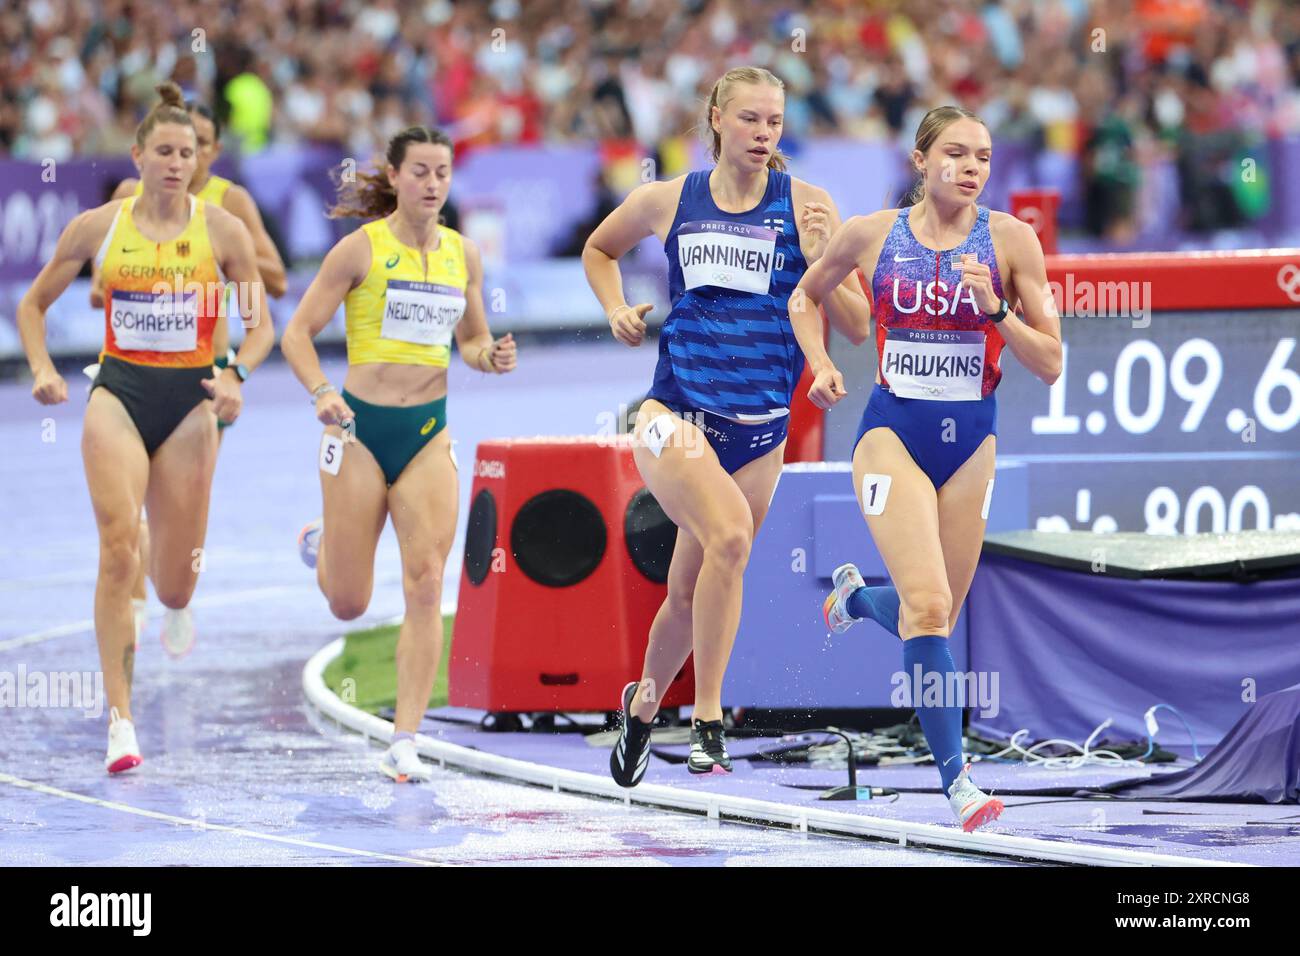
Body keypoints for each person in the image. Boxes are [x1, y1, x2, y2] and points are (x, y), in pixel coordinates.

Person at [583, 66, 871, 787]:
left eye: (774, 121)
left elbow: (860, 327)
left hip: (760, 429)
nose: (763, 133)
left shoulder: (807, 206)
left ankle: (642, 710)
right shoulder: (667, 198)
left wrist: (816, 260)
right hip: (673, 414)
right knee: (733, 538)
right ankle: (709, 719)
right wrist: (615, 307)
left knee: (689, 592)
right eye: (749, 119)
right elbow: (597, 250)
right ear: (716, 117)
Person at [791, 105, 1063, 831]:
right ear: (919, 161)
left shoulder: (1012, 241)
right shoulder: (871, 235)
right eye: (955, 153)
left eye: (982, 155)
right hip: (892, 436)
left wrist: (997, 309)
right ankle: (958, 785)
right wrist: (819, 363)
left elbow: (1052, 361)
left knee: (930, 612)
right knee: (932, 607)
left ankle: (851, 601)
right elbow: (804, 296)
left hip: (973, 441)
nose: (972, 166)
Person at [18, 82, 273, 773]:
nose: (174, 161)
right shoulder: (99, 227)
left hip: (190, 404)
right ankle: (120, 721)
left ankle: (174, 595)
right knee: (116, 549)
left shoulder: (223, 232)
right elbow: (32, 306)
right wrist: (42, 367)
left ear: (199, 160)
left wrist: (235, 377)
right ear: (137, 155)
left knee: (174, 587)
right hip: (119, 393)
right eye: (162, 150)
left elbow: (260, 328)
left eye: (185, 152)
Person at [280, 126, 516, 783]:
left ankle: (405, 739)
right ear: (395, 175)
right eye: (420, 171)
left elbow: (472, 340)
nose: (433, 183)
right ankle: (325, 545)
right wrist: (322, 391)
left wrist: (488, 358)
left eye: (442, 171)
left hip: (426, 436)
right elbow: (297, 333)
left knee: (424, 582)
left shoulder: (462, 255)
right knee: (349, 603)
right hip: (356, 432)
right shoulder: (360, 251)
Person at [89, 99, 288, 658]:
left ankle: (177, 596)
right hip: (134, 372)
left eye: (197, 145)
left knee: (181, 509)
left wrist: (230, 252)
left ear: (213, 151)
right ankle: (131, 605)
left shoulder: (230, 205)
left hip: (208, 381)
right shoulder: (129, 201)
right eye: (173, 146)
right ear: (147, 153)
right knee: (125, 517)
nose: (185, 157)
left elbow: (273, 277)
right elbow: (102, 275)